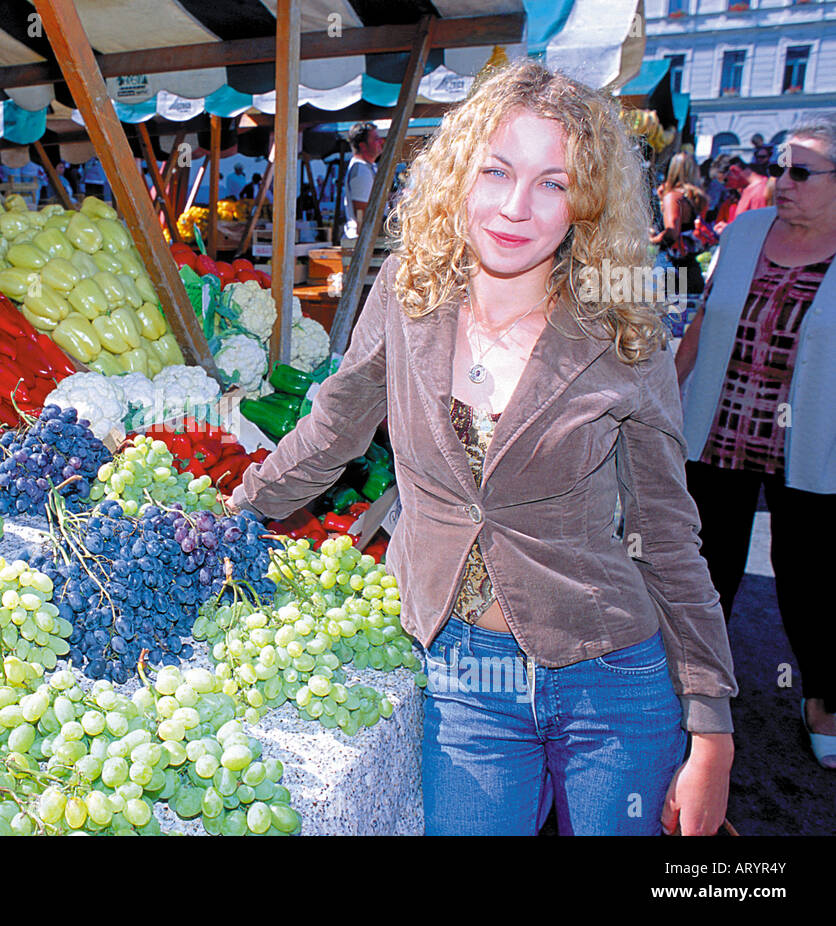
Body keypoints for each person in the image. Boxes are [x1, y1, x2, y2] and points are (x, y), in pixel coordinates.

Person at [228, 60, 736, 835]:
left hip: (611, 678)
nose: (514, 207)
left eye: (553, 184)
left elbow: (668, 535)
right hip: (465, 673)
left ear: (586, 205)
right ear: (461, 172)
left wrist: (712, 730)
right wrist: (238, 510)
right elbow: (334, 428)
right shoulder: (407, 291)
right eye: (497, 171)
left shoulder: (622, 335)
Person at [674, 115, 836, 769]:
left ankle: (824, 699)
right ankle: (694, 696)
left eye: (800, 172)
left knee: (814, 579)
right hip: (719, 428)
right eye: (778, 168)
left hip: (813, 445)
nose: (781, 183)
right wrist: (663, 400)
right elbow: (705, 319)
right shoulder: (744, 232)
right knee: (703, 570)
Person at [650, 152, 708, 296]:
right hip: (692, 267)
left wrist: (652, 239)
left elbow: (672, 233)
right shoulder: (697, 197)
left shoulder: (674, 197)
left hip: (673, 269)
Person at [341, 121, 383, 240]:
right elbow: (362, 215)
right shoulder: (361, 171)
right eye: (375, 139)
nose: (380, 141)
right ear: (363, 146)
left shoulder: (368, 167)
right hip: (361, 239)